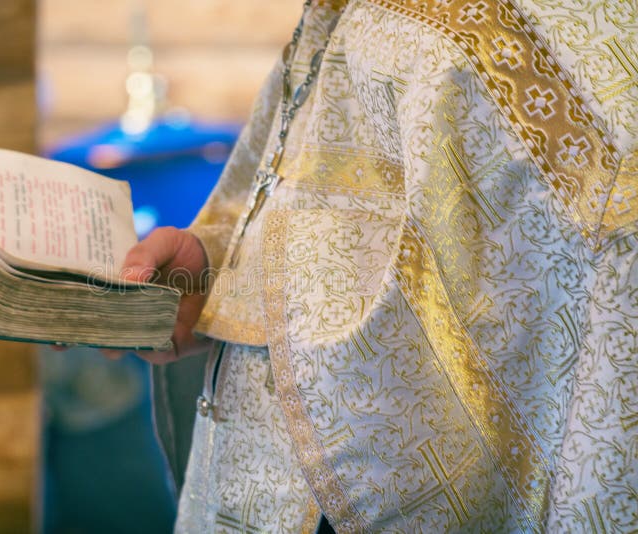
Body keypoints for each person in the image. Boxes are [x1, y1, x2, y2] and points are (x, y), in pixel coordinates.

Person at [107, 0, 638, 531]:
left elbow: (608, 262)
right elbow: (324, 183)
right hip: (264, 465)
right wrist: (220, 273)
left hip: (382, 491)